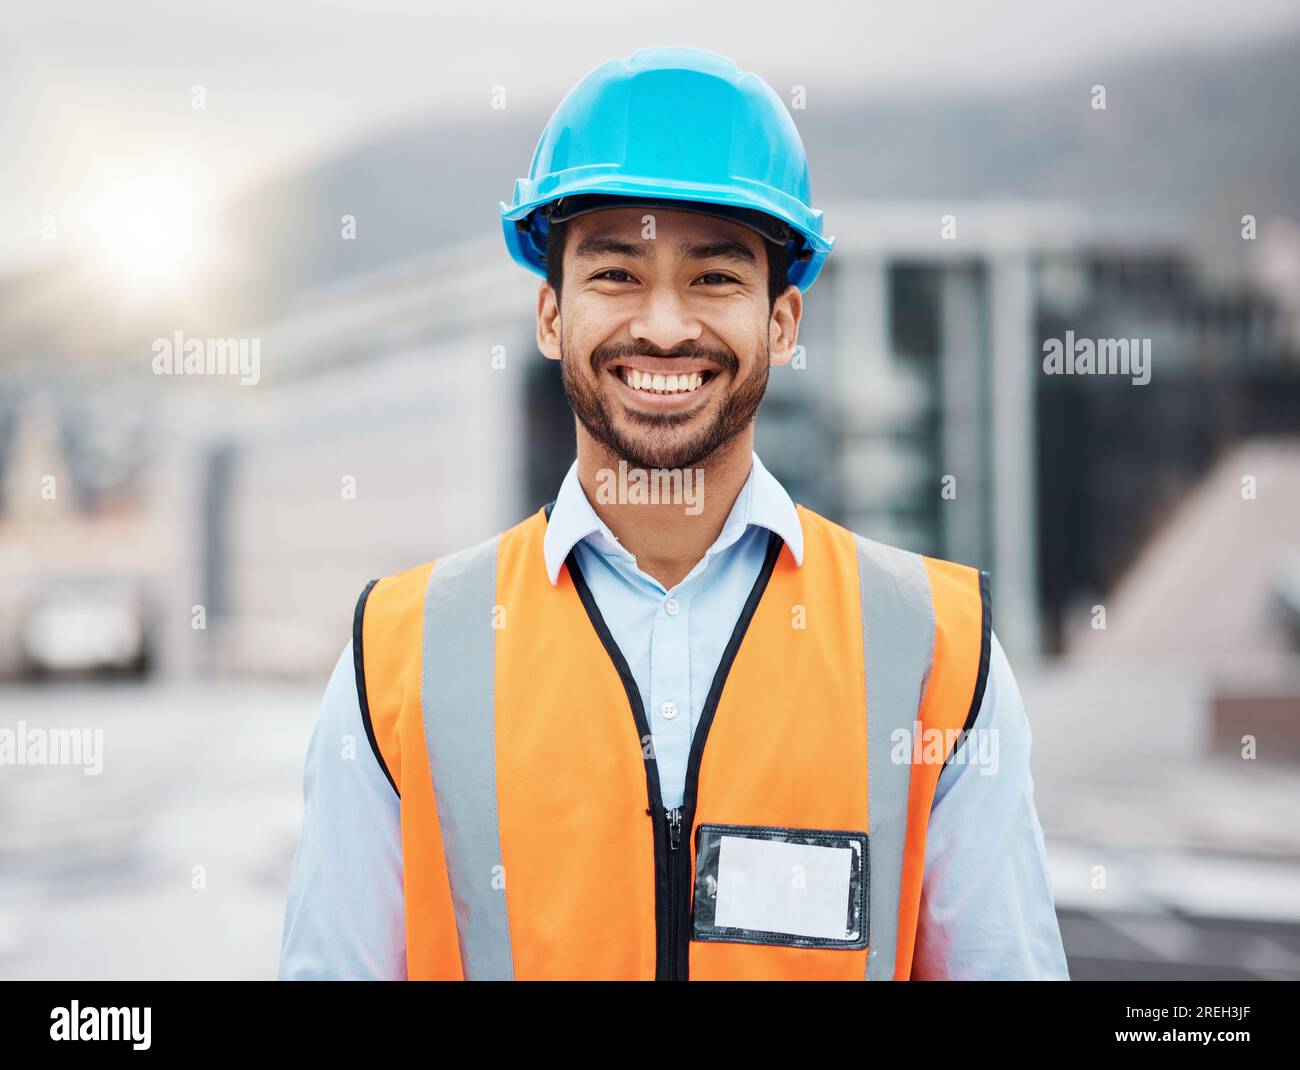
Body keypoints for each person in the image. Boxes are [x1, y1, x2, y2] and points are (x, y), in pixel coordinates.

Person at [278, 46, 1069, 981]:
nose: (662, 325)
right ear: (548, 314)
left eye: (715, 277)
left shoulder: (939, 652)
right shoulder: (394, 660)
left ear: (782, 322)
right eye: (615, 274)